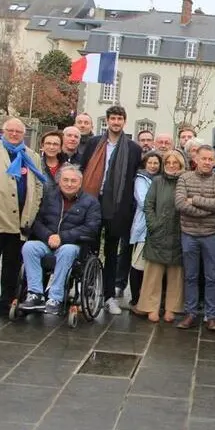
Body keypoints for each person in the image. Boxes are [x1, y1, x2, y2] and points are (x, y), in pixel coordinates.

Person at [0, 118, 45, 319]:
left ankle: (7, 303)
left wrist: (32, 210)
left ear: (24, 134)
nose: (14, 134)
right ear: (4, 131)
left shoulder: (31, 155)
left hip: (20, 221)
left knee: (12, 267)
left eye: (18, 132)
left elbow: (38, 184)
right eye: (11, 131)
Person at [79, 105, 143, 315]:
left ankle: (108, 296)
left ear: (124, 121)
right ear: (107, 121)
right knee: (90, 248)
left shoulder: (133, 148)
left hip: (117, 207)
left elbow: (134, 178)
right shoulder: (94, 143)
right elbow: (84, 168)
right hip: (91, 201)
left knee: (112, 253)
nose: (116, 122)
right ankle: (86, 291)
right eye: (113, 118)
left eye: (120, 119)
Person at [18, 165, 102, 315]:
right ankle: (35, 293)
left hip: (74, 246)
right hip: (48, 242)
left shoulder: (91, 202)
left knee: (66, 250)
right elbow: (36, 222)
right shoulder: (49, 197)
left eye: (73, 181)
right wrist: (49, 236)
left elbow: (91, 228)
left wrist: (62, 237)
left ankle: (55, 298)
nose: (69, 184)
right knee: (29, 247)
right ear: (59, 182)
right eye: (65, 180)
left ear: (80, 183)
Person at [174, 145, 215, 332]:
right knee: (191, 276)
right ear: (196, 159)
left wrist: (194, 199)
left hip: (211, 235)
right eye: (203, 158)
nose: (207, 162)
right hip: (189, 234)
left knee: (212, 277)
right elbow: (180, 204)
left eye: (210, 159)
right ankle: (190, 313)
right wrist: (208, 209)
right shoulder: (184, 178)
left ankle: (211, 316)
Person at [136, 151, 186, 322]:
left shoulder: (185, 181)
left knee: (176, 274)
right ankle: (151, 307)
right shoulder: (158, 181)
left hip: (178, 231)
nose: (172, 166)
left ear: (181, 164)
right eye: (168, 163)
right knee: (153, 274)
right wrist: (154, 224)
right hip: (158, 231)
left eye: (175, 163)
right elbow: (148, 204)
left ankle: (172, 308)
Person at [128, 152, 162, 311]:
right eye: (150, 163)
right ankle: (135, 298)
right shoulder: (141, 179)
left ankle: (148, 298)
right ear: (145, 164)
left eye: (156, 163)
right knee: (138, 265)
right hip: (144, 227)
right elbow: (143, 201)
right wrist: (163, 207)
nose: (153, 166)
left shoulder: (161, 180)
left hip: (160, 228)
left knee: (153, 267)